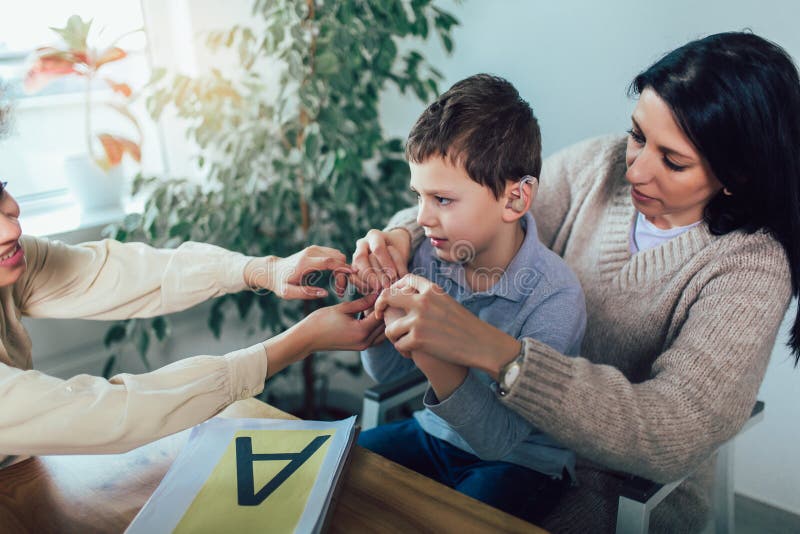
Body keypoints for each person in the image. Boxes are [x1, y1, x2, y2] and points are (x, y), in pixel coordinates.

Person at [351, 32, 798, 532]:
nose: (636, 169)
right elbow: (484, 208)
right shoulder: (600, 166)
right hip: (490, 435)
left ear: (735, 175)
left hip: (617, 490)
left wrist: (500, 355)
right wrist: (400, 237)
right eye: (636, 135)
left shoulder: (751, 266)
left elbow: (672, 431)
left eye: (672, 161)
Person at [0, 176, 382, 466]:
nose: (13, 226)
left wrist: (263, 269)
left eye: (0, 189)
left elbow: (114, 272)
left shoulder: (13, 260)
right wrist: (298, 343)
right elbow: (108, 413)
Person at [356, 74, 586, 523]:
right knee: (336, 473)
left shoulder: (555, 297)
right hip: (434, 433)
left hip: (523, 463)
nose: (422, 218)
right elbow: (385, 374)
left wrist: (433, 346)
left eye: (442, 198)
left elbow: (497, 440)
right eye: (419, 196)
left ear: (515, 198)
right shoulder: (428, 254)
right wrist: (379, 303)